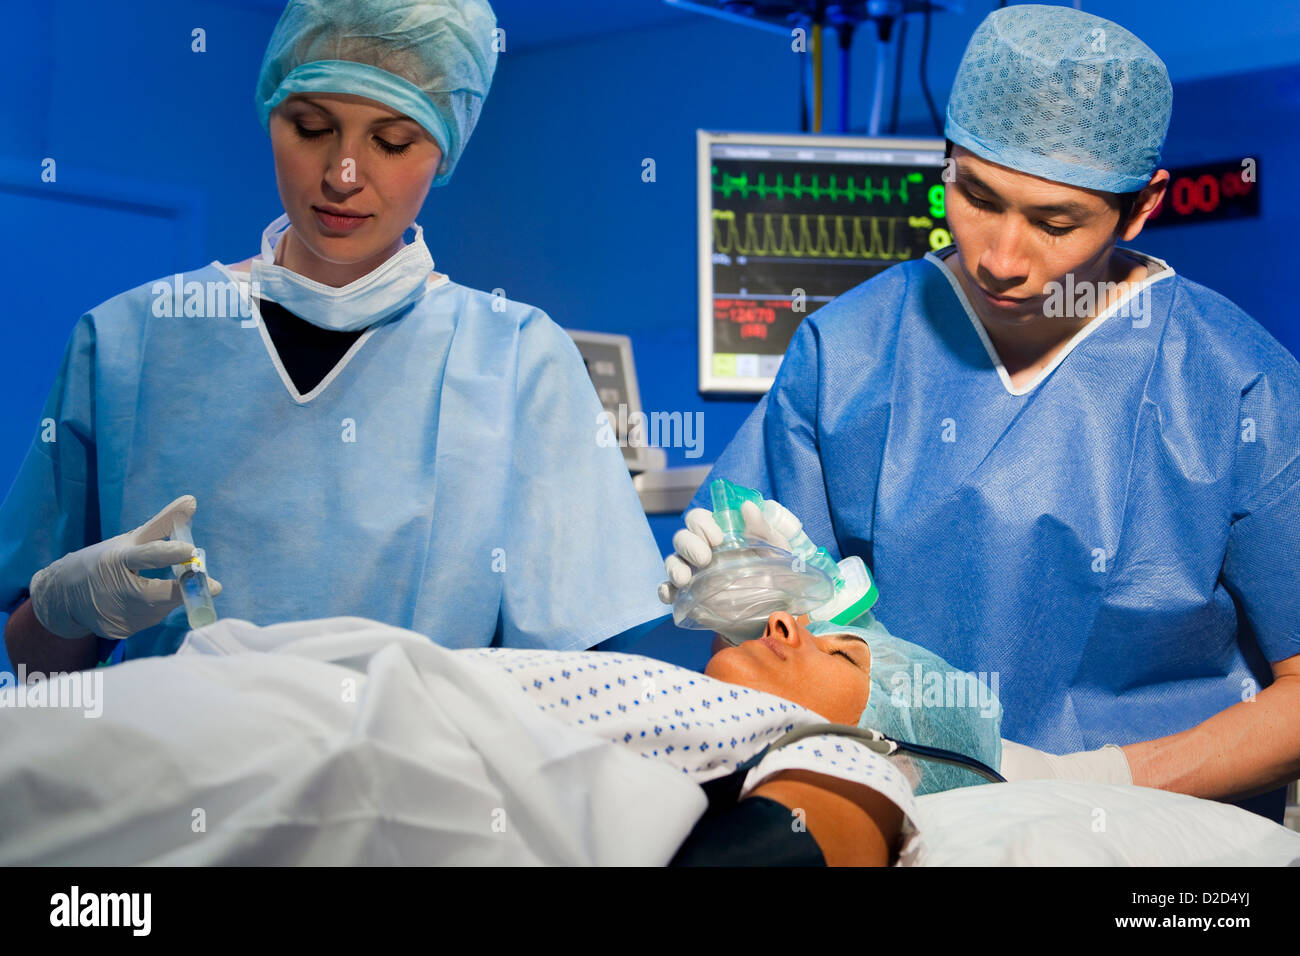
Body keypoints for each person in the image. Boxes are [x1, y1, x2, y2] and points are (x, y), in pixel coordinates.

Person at [662, 4, 1300, 820]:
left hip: (1156, 833)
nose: (1001, 257)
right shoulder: (850, 351)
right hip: (907, 808)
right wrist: (745, 603)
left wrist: (1099, 786)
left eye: (1055, 222)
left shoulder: (1237, 382)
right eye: (976, 195)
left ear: (1142, 208)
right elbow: (772, 655)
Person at [0, 0, 668, 672]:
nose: (342, 176)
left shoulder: (518, 358)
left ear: (444, 150)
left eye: (392, 141)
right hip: (178, 770)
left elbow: (586, 680)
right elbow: (38, 673)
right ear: (271, 117)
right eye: (312, 127)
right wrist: (70, 609)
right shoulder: (129, 342)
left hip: (423, 772)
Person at [0, 610, 932, 867]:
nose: (787, 626)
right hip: (278, 697)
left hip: (340, 758)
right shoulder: (702, 712)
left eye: (844, 648)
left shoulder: (848, 756)